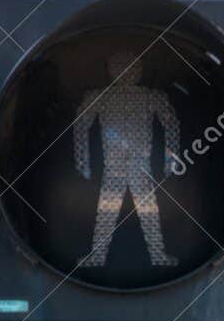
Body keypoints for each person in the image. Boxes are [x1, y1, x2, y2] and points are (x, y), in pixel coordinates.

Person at [72, 52, 182, 269]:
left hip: (140, 164)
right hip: (114, 165)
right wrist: (82, 160)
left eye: (133, 66)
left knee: (148, 209)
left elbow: (171, 124)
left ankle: (158, 255)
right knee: (107, 210)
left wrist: (171, 159)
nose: (127, 71)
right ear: (110, 69)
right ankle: (97, 257)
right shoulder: (99, 96)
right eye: (120, 65)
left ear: (140, 69)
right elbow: (80, 125)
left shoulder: (152, 96)